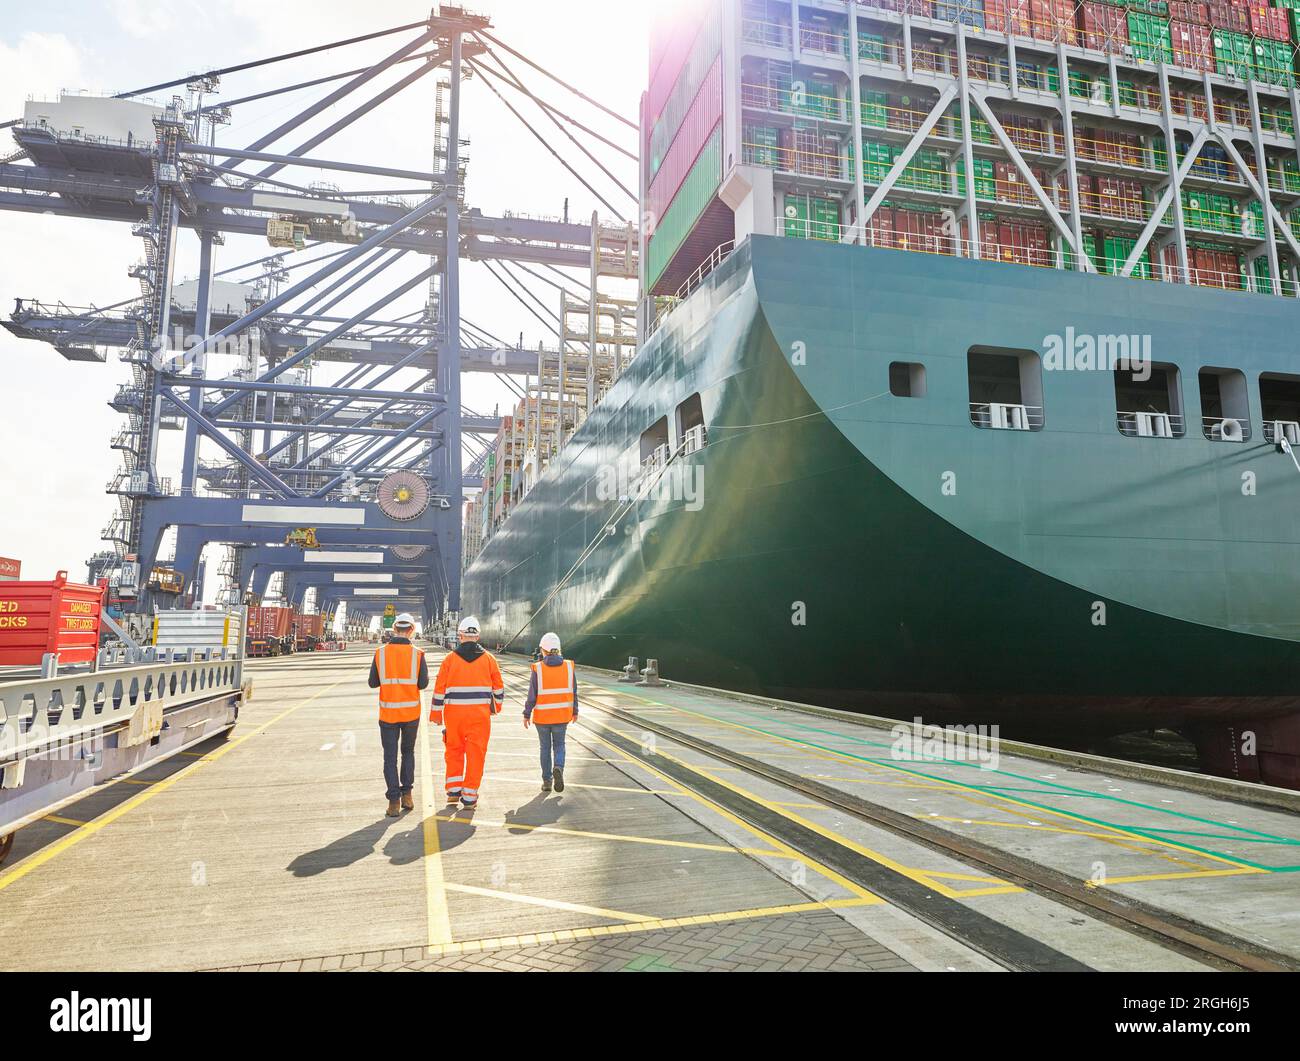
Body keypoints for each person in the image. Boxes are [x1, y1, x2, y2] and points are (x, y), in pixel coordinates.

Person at [431, 616, 504, 807]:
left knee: (454, 749)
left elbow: (439, 689)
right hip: (479, 717)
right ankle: (470, 796)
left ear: (460, 635)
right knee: (476, 753)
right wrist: (495, 708)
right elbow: (498, 689)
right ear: (477, 636)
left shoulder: (449, 659)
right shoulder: (489, 659)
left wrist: (436, 714)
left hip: (454, 715)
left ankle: (453, 791)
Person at [367, 613, 428, 817]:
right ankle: (407, 795)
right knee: (408, 753)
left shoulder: (380, 653)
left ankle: (393, 802)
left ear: (394, 629)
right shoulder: (418, 654)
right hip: (411, 714)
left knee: (389, 758)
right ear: (411, 630)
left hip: (388, 714)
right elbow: (423, 684)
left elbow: (373, 683)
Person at [522, 632, 578, 793]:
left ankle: (547, 781)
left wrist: (526, 714)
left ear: (543, 650)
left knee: (544, 748)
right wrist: (575, 711)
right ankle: (558, 767)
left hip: (542, 718)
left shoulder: (538, 669)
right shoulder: (568, 667)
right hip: (562, 716)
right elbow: (574, 691)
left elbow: (532, 695)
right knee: (559, 745)